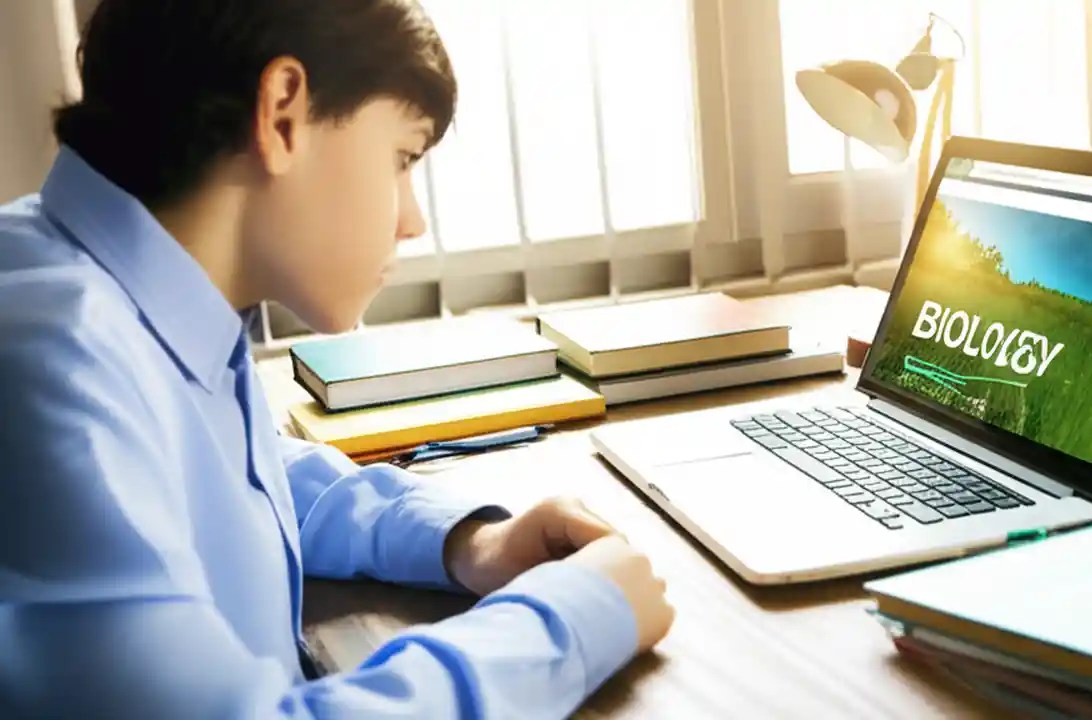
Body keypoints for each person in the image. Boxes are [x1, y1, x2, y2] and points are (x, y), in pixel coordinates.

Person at [0, 1, 674, 717]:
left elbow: (240, 477)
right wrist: (568, 620)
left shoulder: (99, 292)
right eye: (403, 158)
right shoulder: (51, 362)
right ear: (283, 112)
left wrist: (468, 540)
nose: (413, 219)